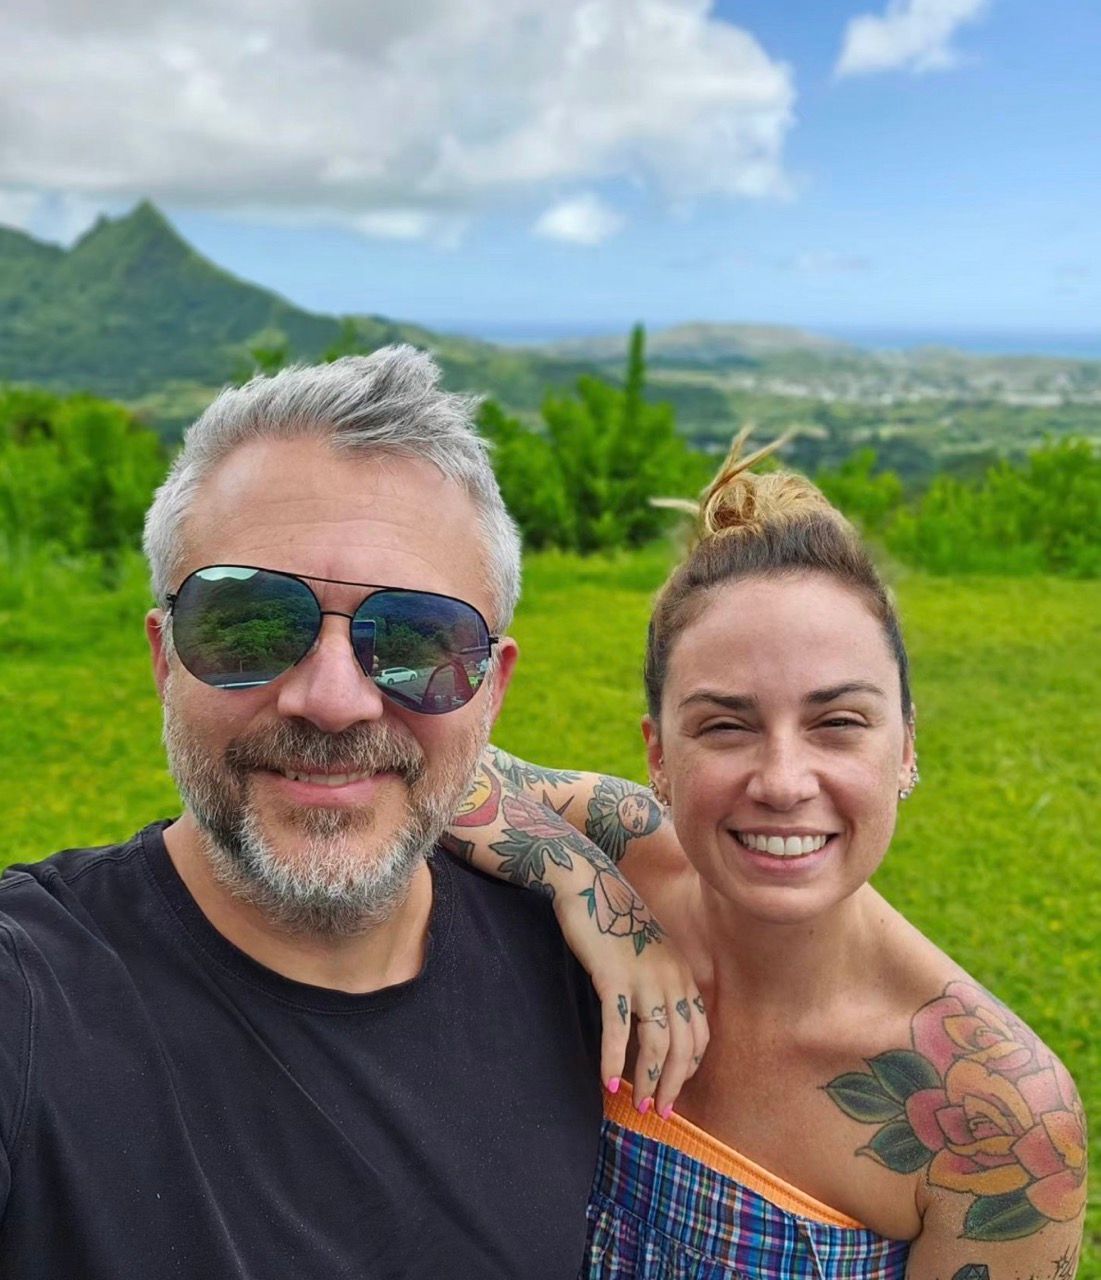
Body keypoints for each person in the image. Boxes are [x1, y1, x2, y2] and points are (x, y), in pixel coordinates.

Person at [0, 348, 704, 1279]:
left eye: (416, 639)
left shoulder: (582, 983)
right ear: (164, 657)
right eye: (248, 622)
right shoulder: (30, 998)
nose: (333, 701)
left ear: (489, 690)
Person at [449, 435, 1087, 1277]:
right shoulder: (614, 840)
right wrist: (590, 890)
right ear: (657, 756)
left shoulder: (1003, 1121)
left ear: (904, 747)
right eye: (725, 724)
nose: (783, 782)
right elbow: (422, 760)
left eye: (838, 723)